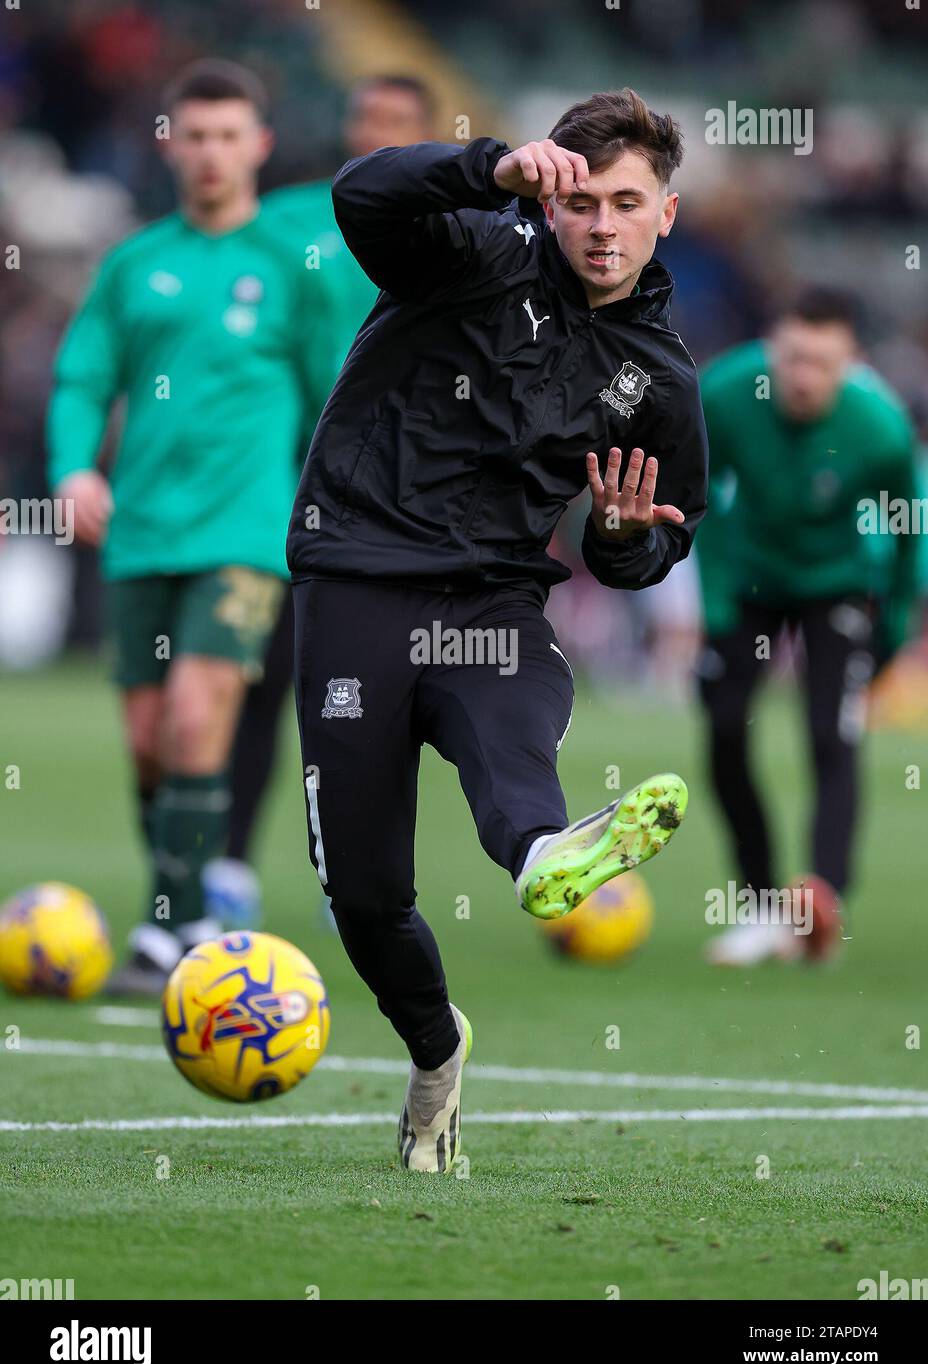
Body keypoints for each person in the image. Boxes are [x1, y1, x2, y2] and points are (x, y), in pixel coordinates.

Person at [287, 88, 708, 1172]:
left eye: (629, 203)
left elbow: (660, 542)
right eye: (585, 203)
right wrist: (486, 169)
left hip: (493, 604)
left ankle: (542, 857)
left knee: (508, 739)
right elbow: (361, 196)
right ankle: (436, 1051)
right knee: (366, 896)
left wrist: (620, 539)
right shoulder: (473, 251)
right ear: (555, 201)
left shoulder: (658, 381)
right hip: (361, 588)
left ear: (668, 211)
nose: (603, 226)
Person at [47, 59, 353, 993]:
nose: (212, 153)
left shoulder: (291, 269)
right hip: (142, 531)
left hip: (247, 532)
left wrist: (330, 513)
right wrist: (70, 468)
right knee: (147, 740)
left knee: (194, 714)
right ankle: (188, 905)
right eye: (196, 135)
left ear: (258, 145)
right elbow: (82, 378)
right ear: (171, 145)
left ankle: (170, 928)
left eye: (230, 136)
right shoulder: (136, 265)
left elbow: (332, 399)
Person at [215, 74, 439, 925]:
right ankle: (228, 865)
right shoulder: (282, 224)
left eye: (396, 127)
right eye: (365, 121)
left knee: (390, 694)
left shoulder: (470, 234)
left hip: (412, 500)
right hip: (294, 494)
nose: (375, 136)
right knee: (267, 677)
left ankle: (372, 876)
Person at [696, 288, 919, 967]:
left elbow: (910, 534)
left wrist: (894, 630)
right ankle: (762, 904)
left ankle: (818, 905)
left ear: (850, 361)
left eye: (822, 363)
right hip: (750, 575)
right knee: (727, 727)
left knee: (832, 732)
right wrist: (715, 605)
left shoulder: (880, 429)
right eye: (793, 359)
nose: (803, 377)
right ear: (772, 348)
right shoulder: (724, 395)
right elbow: (694, 494)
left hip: (838, 581)